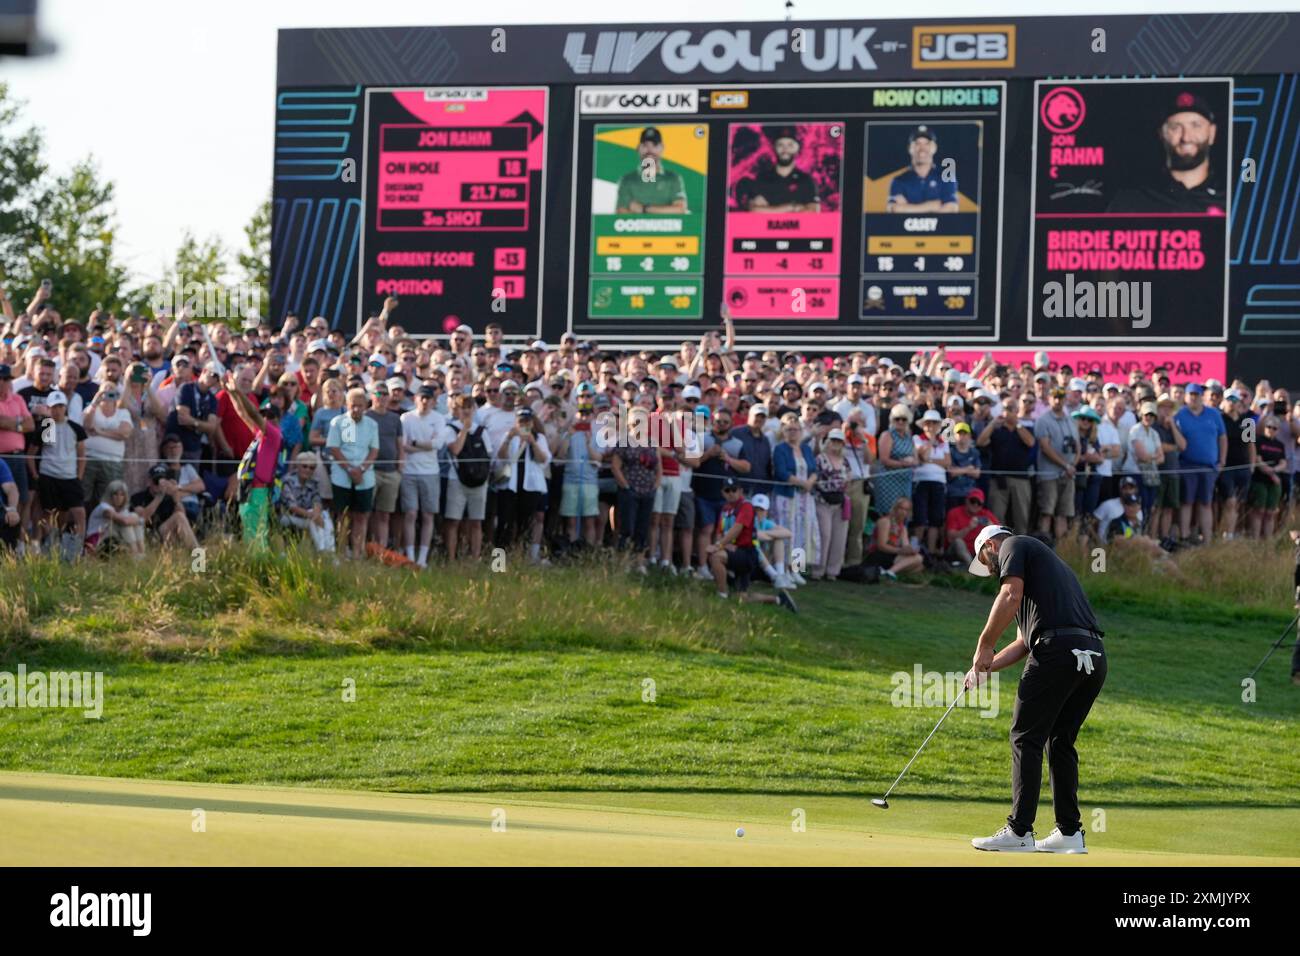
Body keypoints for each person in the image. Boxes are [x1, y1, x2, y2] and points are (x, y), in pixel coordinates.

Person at [967, 525, 1107, 853]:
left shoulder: (1014, 545)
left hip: (1058, 650)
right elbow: (1021, 644)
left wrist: (984, 644)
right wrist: (983, 668)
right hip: (1093, 656)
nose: (989, 570)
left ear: (990, 545)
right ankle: (1069, 834)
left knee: (1024, 736)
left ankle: (1018, 832)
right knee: (1058, 741)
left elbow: (1009, 596)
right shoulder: (1044, 571)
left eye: (985, 562)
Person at [1108, 91, 1225, 214]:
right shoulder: (1131, 200)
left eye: (1196, 125)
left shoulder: (1231, 198)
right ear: (1162, 134)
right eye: (1175, 127)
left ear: (1212, 133)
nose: (1186, 137)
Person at [706, 478, 796, 613]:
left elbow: (738, 528)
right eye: (727, 490)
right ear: (722, 493)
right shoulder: (725, 509)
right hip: (737, 552)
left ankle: (722, 594)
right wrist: (723, 544)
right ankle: (778, 599)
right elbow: (720, 532)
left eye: (734, 490)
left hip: (748, 554)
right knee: (740, 598)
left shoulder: (746, 506)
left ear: (741, 491)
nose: (731, 493)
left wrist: (719, 545)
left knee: (716, 557)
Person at [223, 370, 284, 553]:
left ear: (276, 420)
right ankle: (256, 567)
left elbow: (253, 414)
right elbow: (243, 413)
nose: (265, 418)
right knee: (250, 531)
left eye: (269, 416)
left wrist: (239, 392)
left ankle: (260, 569)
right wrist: (231, 392)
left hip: (259, 490)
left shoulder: (274, 434)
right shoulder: (260, 435)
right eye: (264, 414)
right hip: (249, 489)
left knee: (256, 536)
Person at [326, 387, 380, 558]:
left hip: (365, 477)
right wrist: (350, 469)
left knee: (361, 516)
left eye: (360, 405)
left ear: (365, 405)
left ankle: (357, 553)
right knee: (343, 516)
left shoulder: (372, 425)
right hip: (342, 477)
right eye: (353, 405)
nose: (356, 409)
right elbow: (334, 448)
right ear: (347, 405)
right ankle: (341, 553)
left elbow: (374, 450)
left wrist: (361, 469)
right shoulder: (339, 422)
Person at [34, 389, 87, 560]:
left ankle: (75, 550)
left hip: (69, 477)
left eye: (60, 406)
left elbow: (81, 456)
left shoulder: (75, 428)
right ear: (49, 408)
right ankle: (51, 548)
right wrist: (36, 475)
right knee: (50, 513)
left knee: (77, 513)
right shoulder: (47, 426)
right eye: (53, 407)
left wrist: (78, 476)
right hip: (48, 475)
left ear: (65, 407)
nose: (57, 410)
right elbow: (33, 452)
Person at [400, 383, 449, 567]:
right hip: (409, 472)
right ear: (415, 399)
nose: (425, 401)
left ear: (434, 401)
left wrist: (414, 443)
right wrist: (422, 444)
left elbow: (437, 444)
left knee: (428, 515)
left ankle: (423, 558)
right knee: (410, 514)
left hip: (430, 471)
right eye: (422, 397)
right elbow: (403, 445)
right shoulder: (406, 418)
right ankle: (411, 556)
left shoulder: (438, 418)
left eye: (428, 398)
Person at [1175, 383, 1226, 545]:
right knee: (1187, 502)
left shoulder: (1215, 414)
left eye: (1197, 395)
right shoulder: (1179, 415)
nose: (1194, 398)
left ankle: (1209, 540)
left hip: (1210, 467)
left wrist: (1222, 460)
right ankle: (1184, 538)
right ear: (1186, 396)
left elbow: (1223, 438)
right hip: (1187, 465)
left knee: (1208, 503)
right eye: (1191, 395)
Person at [770, 412, 818, 584]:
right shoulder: (780, 449)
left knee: (802, 532)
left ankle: (796, 568)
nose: (793, 433)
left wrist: (810, 482)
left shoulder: (806, 449)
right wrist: (801, 483)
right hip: (786, 497)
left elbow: (814, 469)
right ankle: (784, 567)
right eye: (789, 429)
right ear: (784, 431)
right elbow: (781, 472)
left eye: (796, 429)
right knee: (788, 531)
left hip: (805, 499)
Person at [978, 397, 1034, 533]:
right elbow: (980, 442)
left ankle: (1022, 549)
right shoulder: (996, 430)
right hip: (998, 479)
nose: (1007, 412)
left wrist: (1017, 423)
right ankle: (999, 550)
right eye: (1005, 408)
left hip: (1020, 480)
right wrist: (993, 423)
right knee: (996, 519)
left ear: (1017, 410)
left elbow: (1030, 442)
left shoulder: (1024, 428)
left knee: (1021, 518)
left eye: (1010, 409)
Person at [443, 393, 488, 561]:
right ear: (457, 410)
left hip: (479, 483)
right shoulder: (450, 429)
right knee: (453, 521)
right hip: (457, 481)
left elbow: (488, 454)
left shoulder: (482, 431)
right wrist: (464, 429)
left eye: (469, 407)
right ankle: (452, 559)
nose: (467, 411)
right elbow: (455, 450)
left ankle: (475, 558)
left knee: (476, 522)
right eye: (463, 408)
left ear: (474, 409)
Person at [1034, 386, 1080, 541]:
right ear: (1049, 399)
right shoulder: (1043, 420)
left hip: (1068, 474)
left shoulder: (1071, 421)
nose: (1058, 400)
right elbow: (1045, 447)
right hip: (1049, 474)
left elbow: (1078, 446)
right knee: (1047, 512)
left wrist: (1072, 465)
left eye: (1061, 397)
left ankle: (1062, 552)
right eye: (1055, 397)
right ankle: (1043, 549)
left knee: (1063, 514)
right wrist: (1066, 465)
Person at [739, 127, 820, 213]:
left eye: (790, 145)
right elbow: (754, 210)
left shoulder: (806, 180)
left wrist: (769, 210)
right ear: (774, 148)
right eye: (780, 145)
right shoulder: (762, 178)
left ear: (797, 150)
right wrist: (792, 207)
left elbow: (814, 211)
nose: (785, 149)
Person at [80, 383, 134, 509]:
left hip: (112, 462)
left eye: (112, 392)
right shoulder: (92, 409)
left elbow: (124, 433)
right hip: (89, 458)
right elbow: (87, 425)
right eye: (105, 392)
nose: (108, 395)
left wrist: (99, 431)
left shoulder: (123, 412)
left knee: (109, 498)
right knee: (83, 496)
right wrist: (94, 402)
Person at [887, 125, 959, 214]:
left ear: (934, 148)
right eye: (917, 143)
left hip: (942, 228)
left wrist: (907, 208)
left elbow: (952, 207)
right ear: (910, 148)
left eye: (927, 143)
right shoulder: (899, 180)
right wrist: (931, 206)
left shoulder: (946, 177)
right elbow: (894, 209)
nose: (922, 148)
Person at [615, 127, 687, 214]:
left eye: (654, 145)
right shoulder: (627, 180)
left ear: (662, 148)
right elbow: (621, 212)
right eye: (645, 145)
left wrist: (644, 209)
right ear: (638, 148)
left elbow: (680, 209)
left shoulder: (673, 178)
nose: (649, 150)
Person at [812, 427, 851, 580]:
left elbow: (849, 478)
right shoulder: (820, 458)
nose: (835, 444)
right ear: (827, 442)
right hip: (823, 501)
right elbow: (816, 478)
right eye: (833, 440)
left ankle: (833, 571)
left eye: (838, 441)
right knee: (824, 535)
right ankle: (817, 570)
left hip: (840, 502)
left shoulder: (845, 461)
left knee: (839, 538)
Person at [131, 463, 199, 550]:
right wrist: (159, 497)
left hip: (168, 536)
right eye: (156, 481)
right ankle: (198, 555)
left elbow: (183, 519)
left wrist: (175, 495)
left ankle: (197, 556)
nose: (159, 485)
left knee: (179, 515)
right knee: (178, 517)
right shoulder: (138, 497)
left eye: (162, 481)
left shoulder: (169, 497)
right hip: (150, 537)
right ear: (149, 482)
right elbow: (142, 519)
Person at [280, 451, 336, 553]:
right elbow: (291, 507)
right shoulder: (287, 481)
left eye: (311, 467)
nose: (307, 470)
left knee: (325, 515)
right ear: (298, 466)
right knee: (314, 520)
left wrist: (316, 513)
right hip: (290, 516)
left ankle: (329, 550)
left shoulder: (313, 481)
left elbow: (317, 501)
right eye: (304, 466)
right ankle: (323, 551)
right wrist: (312, 515)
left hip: (308, 516)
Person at [864, 496, 924, 579]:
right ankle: (890, 572)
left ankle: (888, 571)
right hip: (878, 555)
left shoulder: (903, 528)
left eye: (906, 510)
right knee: (918, 559)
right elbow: (881, 546)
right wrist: (900, 550)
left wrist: (912, 549)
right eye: (901, 508)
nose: (903, 512)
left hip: (891, 555)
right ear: (895, 509)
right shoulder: (885, 521)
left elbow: (905, 545)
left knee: (919, 565)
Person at [1249, 416, 1287, 539]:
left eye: (1274, 428)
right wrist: (1272, 474)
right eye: (1269, 427)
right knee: (1259, 510)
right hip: (1260, 480)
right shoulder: (1259, 441)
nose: (1271, 429)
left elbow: (1283, 462)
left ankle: (1267, 540)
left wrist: (1275, 470)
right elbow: (1258, 461)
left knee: (1271, 512)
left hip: (1275, 481)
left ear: (1278, 430)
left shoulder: (1280, 445)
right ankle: (1255, 538)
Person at [86, 479, 146, 557]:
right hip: (97, 542)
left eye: (122, 495)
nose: (118, 497)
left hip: (112, 540)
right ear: (109, 495)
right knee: (125, 523)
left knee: (133, 516)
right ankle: (134, 554)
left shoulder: (122, 510)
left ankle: (141, 552)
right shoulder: (104, 507)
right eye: (115, 494)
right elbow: (124, 521)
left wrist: (137, 519)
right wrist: (140, 520)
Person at [944, 487, 1000, 565]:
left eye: (979, 503)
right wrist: (968, 528)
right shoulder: (954, 512)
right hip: (957, 551)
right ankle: (971, 566)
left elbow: (1002, 535)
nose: (975, 505)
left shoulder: (986, 514)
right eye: (973, 501)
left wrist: (992, 528)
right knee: (958, 542)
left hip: (977, 552)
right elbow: (950, 539)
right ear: (966, 501)